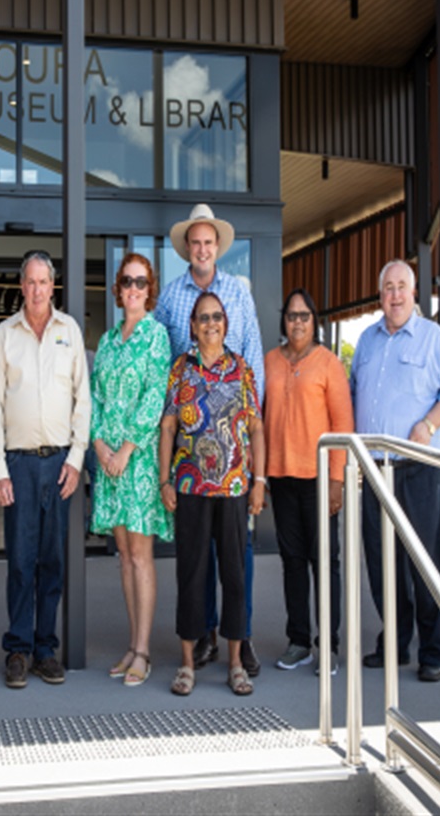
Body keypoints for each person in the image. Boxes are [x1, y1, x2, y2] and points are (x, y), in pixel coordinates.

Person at [350, 259, 440, 683]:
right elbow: (354, 396)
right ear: (380, 294)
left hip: (418, 469)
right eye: (388, 287)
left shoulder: (433, 339)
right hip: (374, 470)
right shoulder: (366, 342)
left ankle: (433, 650)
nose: (395, 295)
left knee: (424, 562)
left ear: (414, 292)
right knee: (381, 563)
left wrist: (430, 423)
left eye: (402, 286)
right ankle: (395, 644)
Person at [154, 203, 265, 676]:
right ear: (187, 249)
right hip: (191, 460)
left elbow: (254, 362)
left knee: (236, 560)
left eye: (209, 242)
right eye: (195, 243)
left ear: (218, 247)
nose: (202, 249)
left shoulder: (239, 295)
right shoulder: (170, 299)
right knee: (195, 564)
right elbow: (161, 364)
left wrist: (259, 470)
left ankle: (242, 638)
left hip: (235, 466)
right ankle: (203, 637)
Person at [0, 250, 91, 688]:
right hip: (20, 464)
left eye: (42, 281)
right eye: (29, 282)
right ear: (22, 286)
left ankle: (46, 649)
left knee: (52, 561)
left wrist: (76, 459)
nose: (35, 289)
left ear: (53, 286)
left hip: (60, 465)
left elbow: (83, 400)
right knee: (20, 561)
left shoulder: (70, 332)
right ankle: (18, 647)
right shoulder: (4, 335)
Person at [90, 253, 173, 688]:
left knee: (142, 556)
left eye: (141, 282)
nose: (134, 288)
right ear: (118, 289)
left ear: (150, 288)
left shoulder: (157, 337)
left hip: (137, 463)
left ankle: (143, 651)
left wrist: (123, 450)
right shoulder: (106, 341)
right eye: (127, 281)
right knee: (123, 557)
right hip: (108, 463)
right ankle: (131, 643)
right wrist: (101, 446)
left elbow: (154, 398)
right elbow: (95, 399)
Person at [264, 288, 353, 675]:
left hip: (319, 479)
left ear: (314, 321)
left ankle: (327, 646)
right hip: (281, 477)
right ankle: (299, 640)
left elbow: (343, 425)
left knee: (325, 562)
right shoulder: (269, 361)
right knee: (292, 561)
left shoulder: (329, 364)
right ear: (283, 320)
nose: (297, 322)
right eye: (291, 315)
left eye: (304, 315)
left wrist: (337, 480)